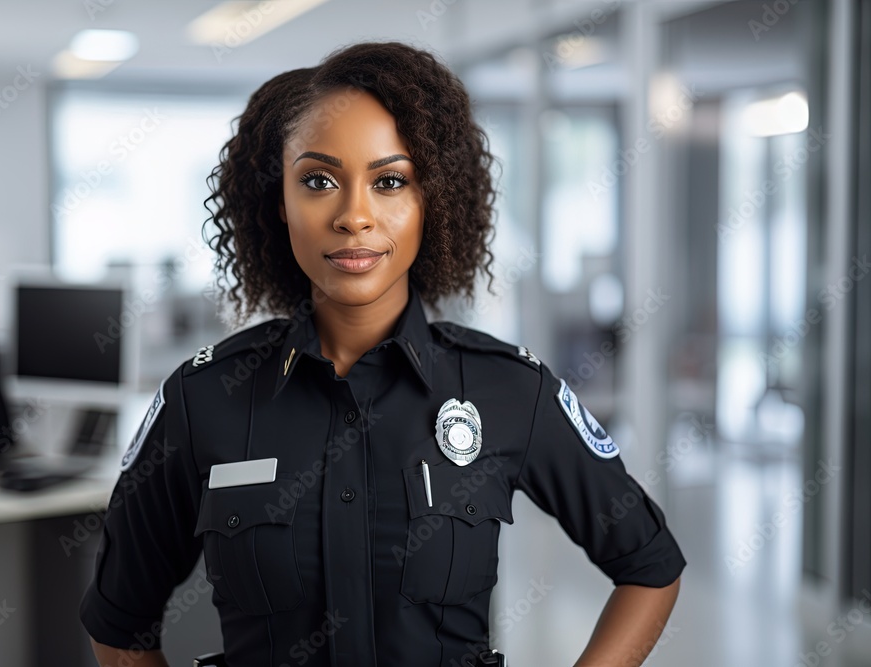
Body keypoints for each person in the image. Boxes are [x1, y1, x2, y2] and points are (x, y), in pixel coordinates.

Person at [80, 41, 685, 667]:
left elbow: (649, 567)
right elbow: (119, 622)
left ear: (434, 200)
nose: (353, 216)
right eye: (318, 181)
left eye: (390, 181)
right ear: (278, 202)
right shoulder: (200, 399)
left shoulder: (509, 390)